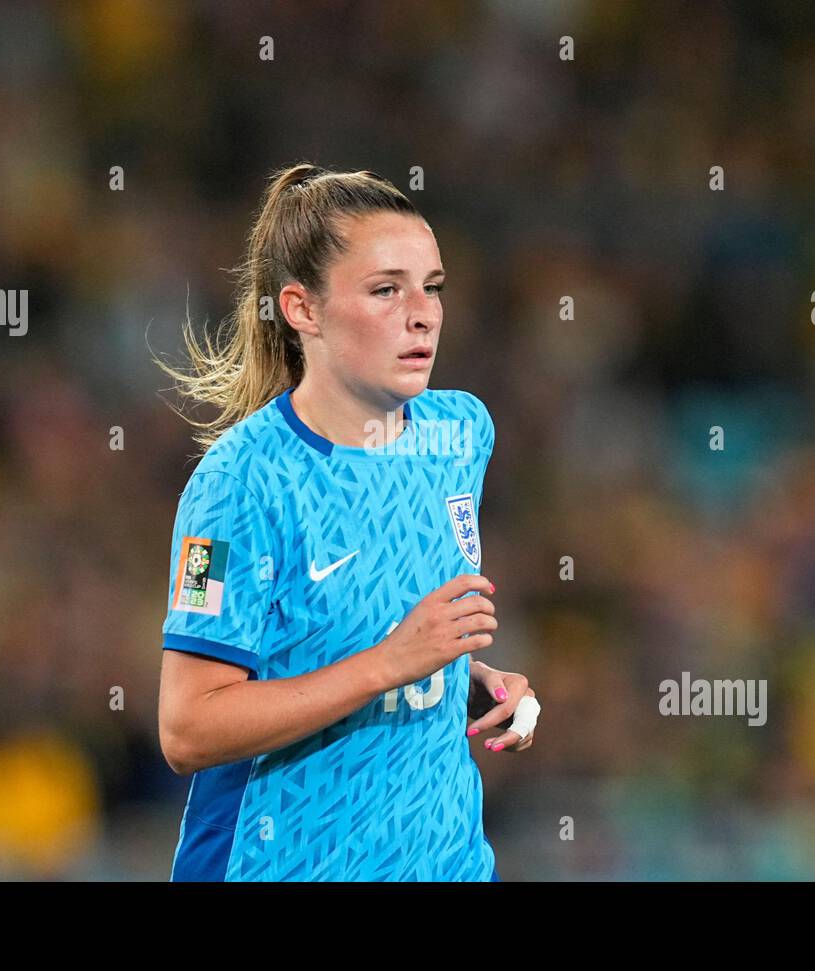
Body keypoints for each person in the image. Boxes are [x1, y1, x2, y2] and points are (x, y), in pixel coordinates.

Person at [156, 163, 539, 881]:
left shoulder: (460, 434)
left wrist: (465, 678)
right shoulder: (240, 484)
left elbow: (364, 633)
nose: (421, 312)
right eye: (387, 289)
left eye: (433, 287)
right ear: (302, 309)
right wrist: (388, 665)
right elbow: (188, 727)